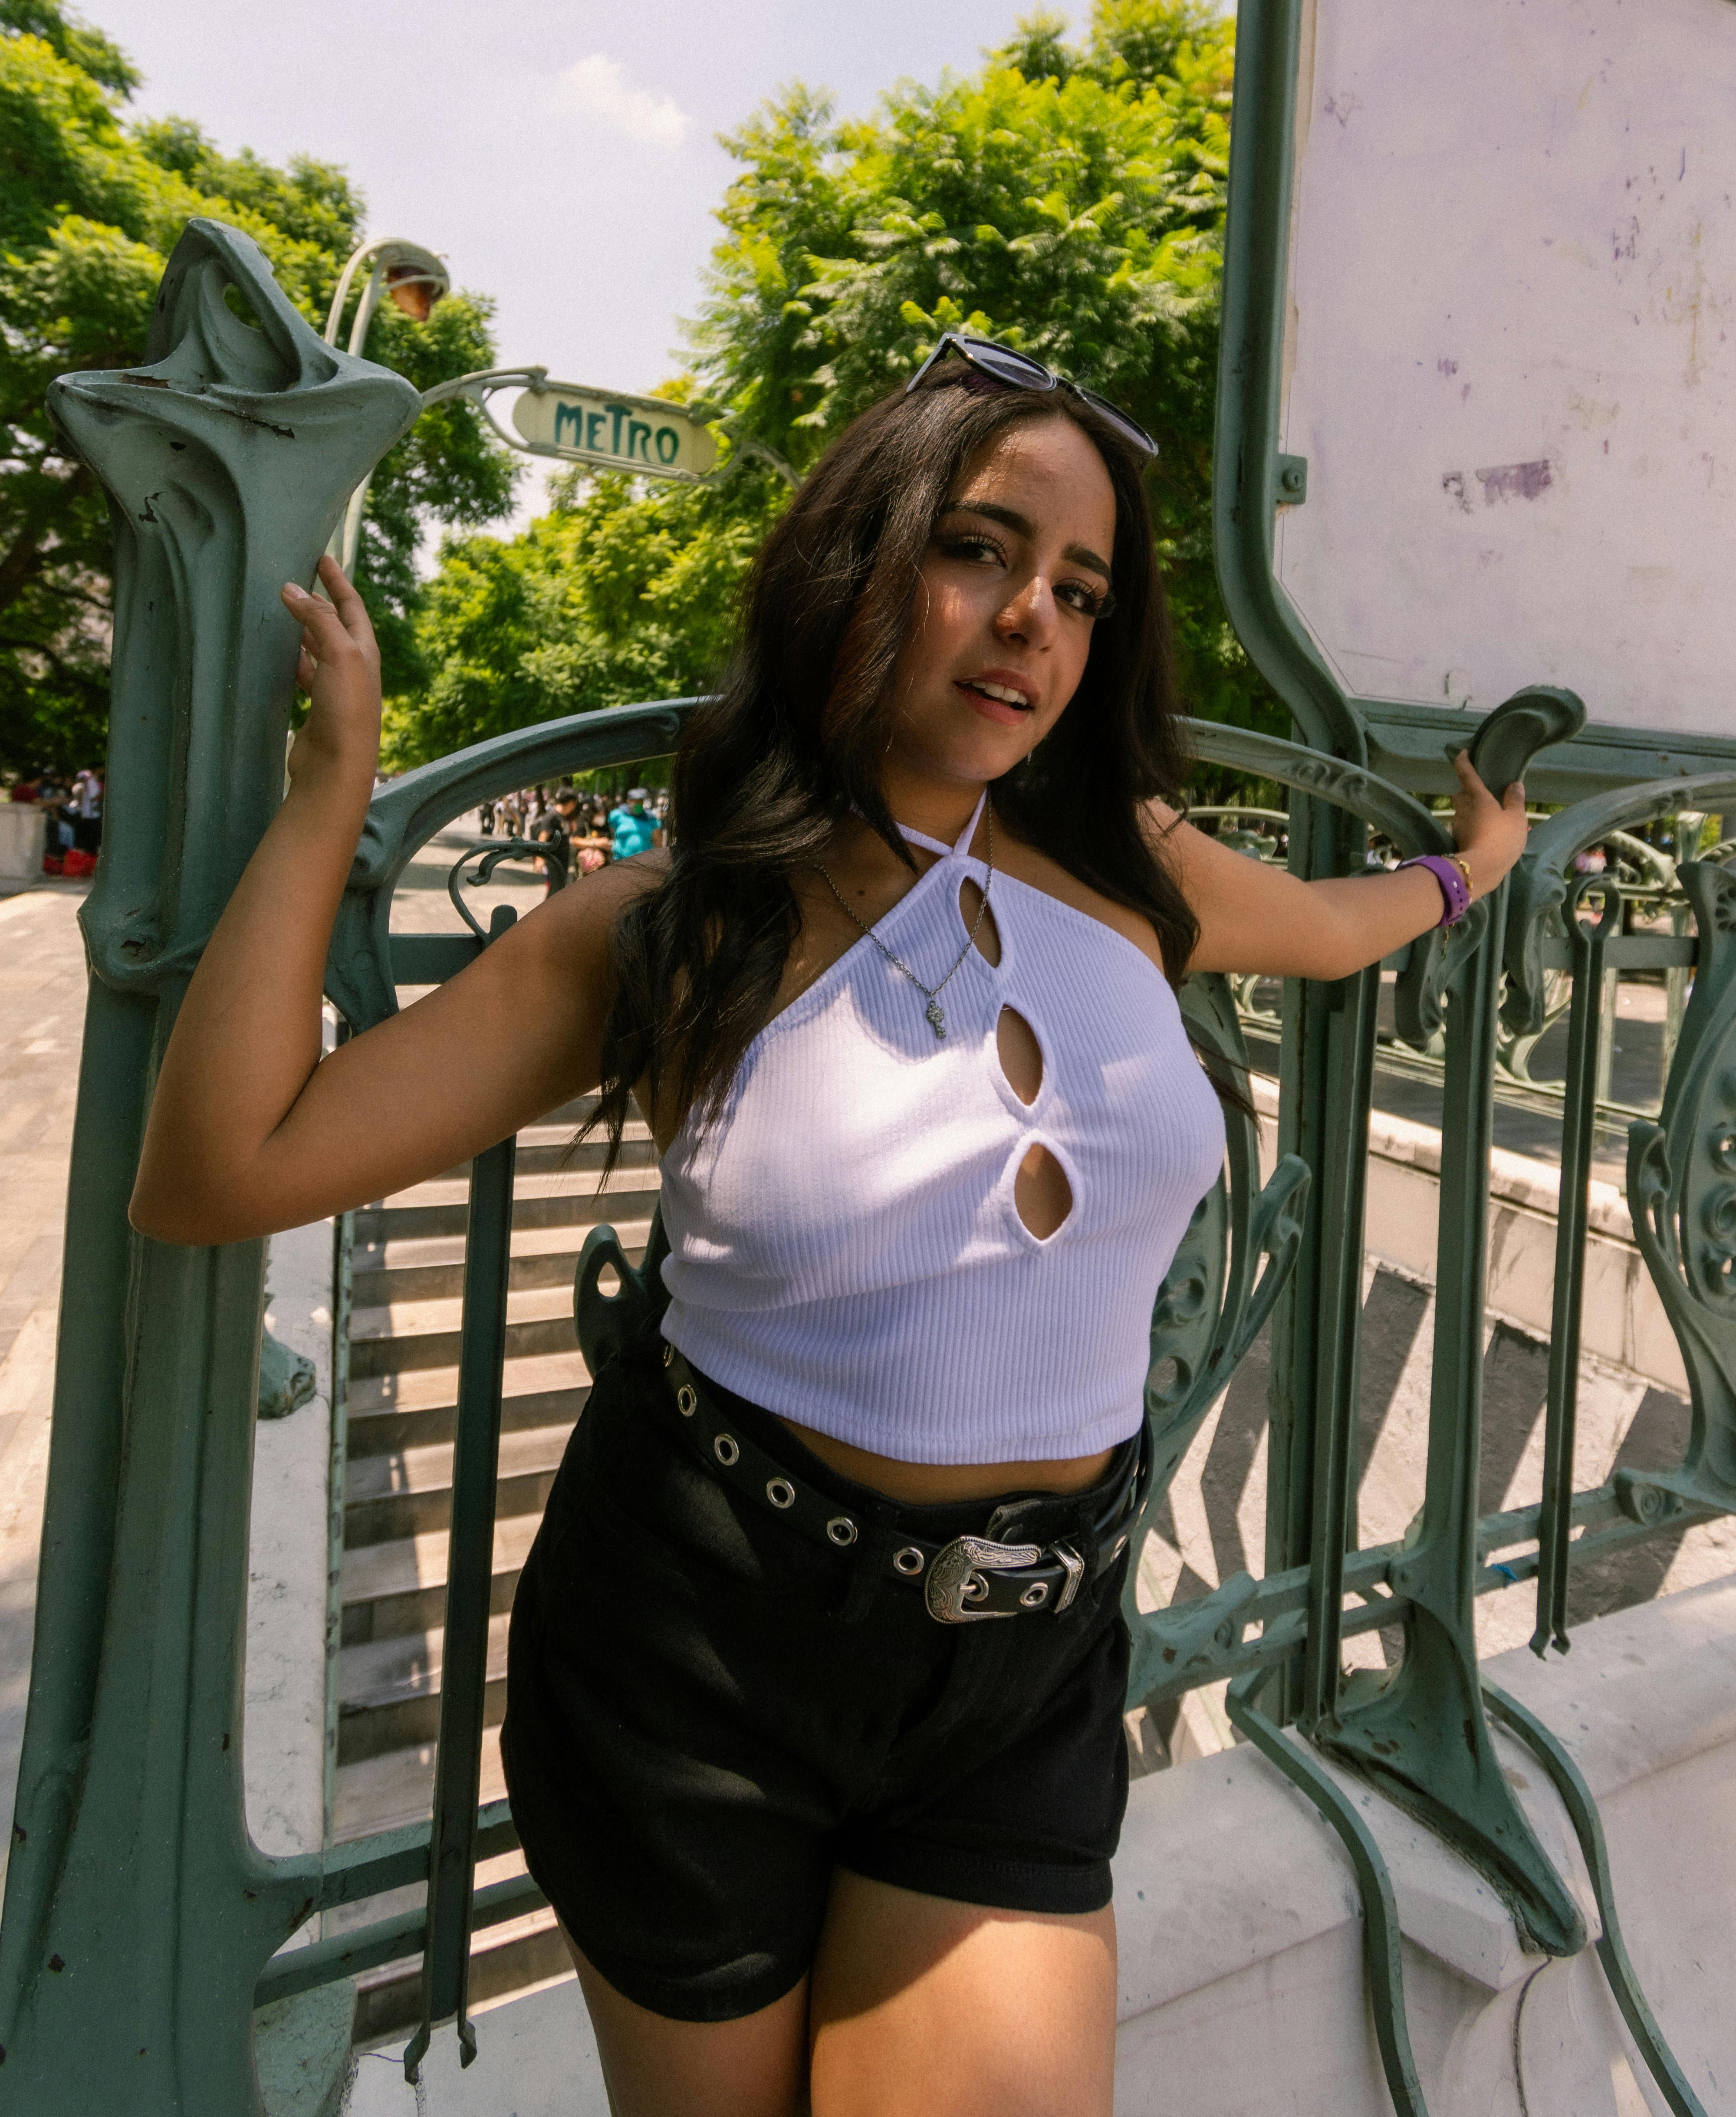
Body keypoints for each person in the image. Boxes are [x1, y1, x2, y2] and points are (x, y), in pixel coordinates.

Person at [128, 331, 1526, 2117]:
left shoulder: (1131, 870)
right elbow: (223, 1171)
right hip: (701, 1656)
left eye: (1079, 591)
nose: (1031, 619)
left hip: (1026, 1660)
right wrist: (330, 795)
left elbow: (1329, 932)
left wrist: (1471, 868)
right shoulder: (676, 929)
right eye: (978, 550)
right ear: (856, 562)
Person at [607, 787, 663, 860]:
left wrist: (659, 858)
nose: (638, 804)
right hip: (620, 860)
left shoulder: (650, 818)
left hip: (644, 861)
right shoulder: (617, 815)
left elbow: (658, 841)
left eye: (640, 801)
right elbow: (609, 833)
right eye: (635, 801)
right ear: (629, 801)